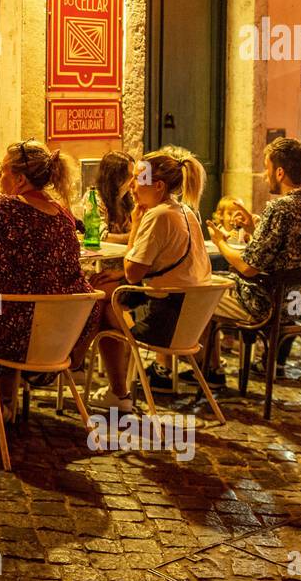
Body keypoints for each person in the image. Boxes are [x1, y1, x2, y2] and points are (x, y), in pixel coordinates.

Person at [0, 140, 101, 416]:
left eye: (3, 171)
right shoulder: (62, 213)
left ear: (19, 179)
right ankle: (4, 398)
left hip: (8, 331)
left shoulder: (4, 207)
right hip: (55, 335)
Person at [206, 137, 301, 384]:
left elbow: (248, 266)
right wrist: (256, 225)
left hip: (266, 305)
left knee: (200, 295)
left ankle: (210, 371)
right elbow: (292, 251)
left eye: (267, 170)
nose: (266, 177)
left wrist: (220, 242)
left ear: (279, 171)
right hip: (298, 304)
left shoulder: (280, 208)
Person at [91, 151, 213, 407]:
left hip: (161, 323)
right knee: (106, 288)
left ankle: (118, 393)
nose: (132, 187)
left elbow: (133, 271)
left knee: (102, 308)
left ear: (158, 186)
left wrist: (135, 223)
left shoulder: (157, 216)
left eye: (137, 179)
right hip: (191, 321)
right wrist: (120, 274)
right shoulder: (186, 212)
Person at [94, 151, 138, 244]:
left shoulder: (127, 199)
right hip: (104, 256)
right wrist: (132, 236)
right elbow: (100, 236)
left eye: (134, 176)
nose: (133, 181)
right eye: (129, 176)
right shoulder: (94, 198)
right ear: (114, 177)